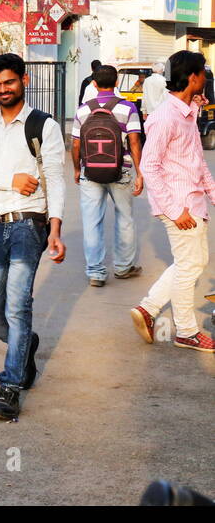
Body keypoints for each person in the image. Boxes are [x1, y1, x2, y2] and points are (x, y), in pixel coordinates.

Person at [0, 53, 66, 421]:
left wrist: (55, 228)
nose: (3, 90)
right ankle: (25, 345)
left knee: (18, 306)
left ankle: (10, 386)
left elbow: (55, 178)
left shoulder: (43, 125)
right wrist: (10, 180)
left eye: (10, 82)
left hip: (27, 224)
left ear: (25, 80)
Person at [130, 50, 215, 354]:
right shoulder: (165, 117)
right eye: (203, 73)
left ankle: (148, 308)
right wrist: (173, 210)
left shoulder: (186, 113)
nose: (206, 78)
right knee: (190, 266)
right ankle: (187, 332)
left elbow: (196, 161)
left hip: (191, 201)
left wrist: (212, 193)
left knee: (191, 263)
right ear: (193, 77)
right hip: (179, 205)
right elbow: (150, 166)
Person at [71, 64, 143, 287]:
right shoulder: (128, 107)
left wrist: (76, 168)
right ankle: (123, 267)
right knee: (125, 218)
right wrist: (140, 173)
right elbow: (134, 141)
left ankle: (96, 272)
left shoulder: (83, 110)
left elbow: (75, 144)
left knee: (92, 221)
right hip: (120, 170)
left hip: (90, 170)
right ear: (116, 83)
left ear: (93, 83)